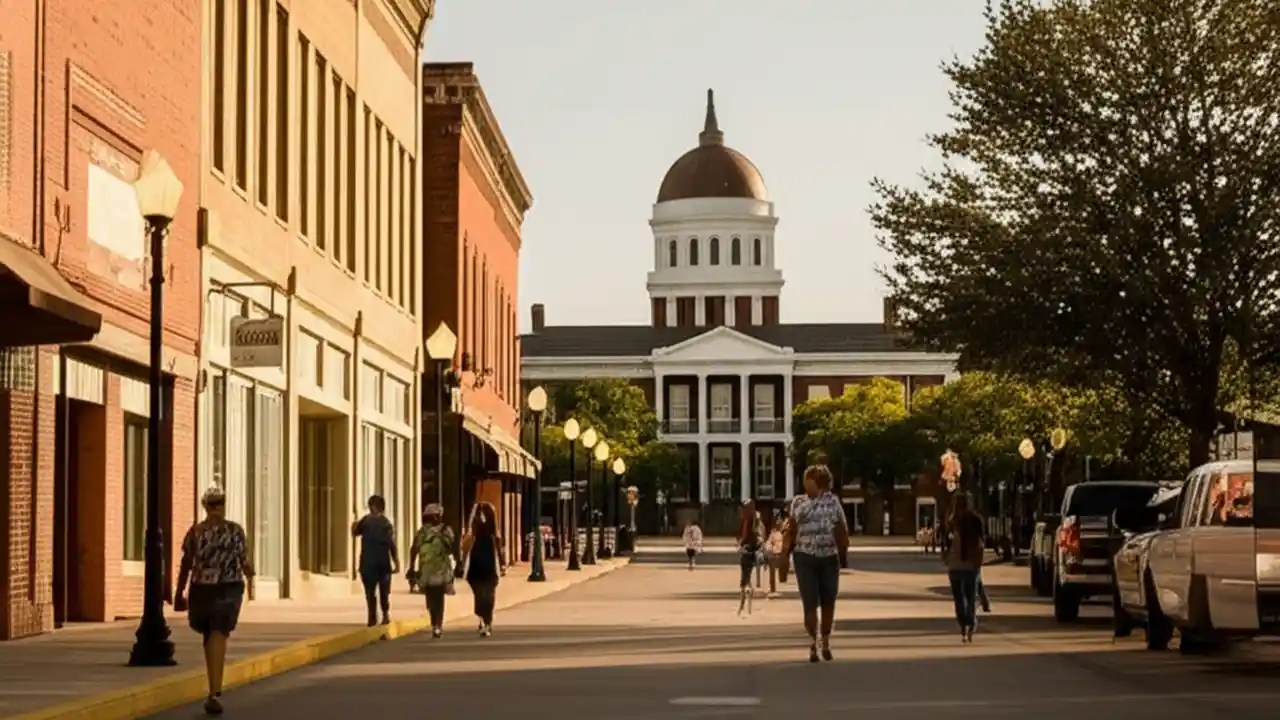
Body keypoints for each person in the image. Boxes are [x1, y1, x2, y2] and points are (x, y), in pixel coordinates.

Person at [174, 486, 253, 716]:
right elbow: (244, 561)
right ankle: (214, 691)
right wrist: (250, 576)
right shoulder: (235, 531)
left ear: (205, 506)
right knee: (218, 633)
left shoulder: (196, 532)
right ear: (221, 505)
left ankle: (214, 690)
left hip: (202, 589)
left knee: (211, 633)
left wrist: (179, 592)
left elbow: (187, 563)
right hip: (228, 588)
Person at [786, 464, 849, 663]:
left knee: (829, 600)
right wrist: (784, 553)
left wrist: (843, 552)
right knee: (810, 601)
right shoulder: (798, 502)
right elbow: (792, 528)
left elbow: (842, 527)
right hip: (805, 557)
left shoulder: (833, 502)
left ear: (817, 481)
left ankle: (826, 640)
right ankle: (813, 642)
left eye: (808, 479)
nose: (805, 483)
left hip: (829, 557)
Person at [407, 503, 456, 638]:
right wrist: (411, 567)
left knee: (439, 598)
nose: (435, 518)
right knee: (430, 599)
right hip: (426, 570)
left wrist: (441, 536)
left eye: (437, 515)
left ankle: (438, 625)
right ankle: (433, 621)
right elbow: (414, 549)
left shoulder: (446, 530)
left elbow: (451, 546)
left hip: (441, 569)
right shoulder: (422, 532)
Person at [352, 494, 399, 627]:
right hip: (383, 564)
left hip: (367, 564)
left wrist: (354, 524)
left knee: (370, 593)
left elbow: (354, 532)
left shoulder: (365, 521)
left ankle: (372, 618)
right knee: (384, 591)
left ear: (372, 507)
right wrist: (396, 561)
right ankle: (385, 614)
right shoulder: (386, 524)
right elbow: (391, 544)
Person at [460, 502, 506, 637]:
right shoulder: (488, 536)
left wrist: (462, 563)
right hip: (484, 564)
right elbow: (499, 549)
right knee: (487, 595)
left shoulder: (486, 535)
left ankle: (484, 620)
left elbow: (466, 548)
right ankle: (486, 621)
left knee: (482, 594)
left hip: (482, 564)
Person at [946, 493, 987, 642]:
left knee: (959, 598)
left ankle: (964, 623)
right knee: (969, 596)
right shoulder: (976, 520)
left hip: (955, 564)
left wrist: (946, 556)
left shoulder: (952, 520)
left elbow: (946, 542)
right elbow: (982, 541)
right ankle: (970, 622)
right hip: (970, 564)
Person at [737, 501, 765, 614]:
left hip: (747, 550)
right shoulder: (758, 520)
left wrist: (740, 544)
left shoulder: (748, 520)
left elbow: (744, 535)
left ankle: (742, 606)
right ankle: (747, 606)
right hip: (756, 550)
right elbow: (762, 534)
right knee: (748, 576)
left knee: (744, 578)